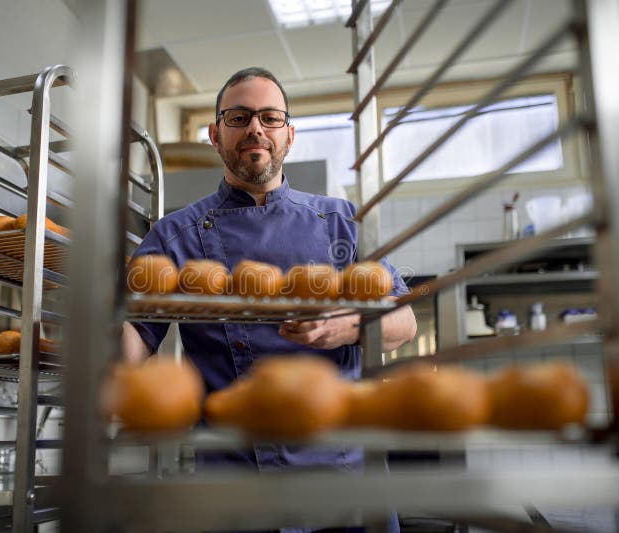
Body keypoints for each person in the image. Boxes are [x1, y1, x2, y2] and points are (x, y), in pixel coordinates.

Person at [122, 67, 417, 532]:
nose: (255, 128)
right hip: (233, 485)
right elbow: (135, 332)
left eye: (269, 117)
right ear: (215, 136)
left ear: (289, 135)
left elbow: (404, 322)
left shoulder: (341, 222)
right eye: (238, 117)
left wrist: (349, 327)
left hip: (342, 481)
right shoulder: (174, 235)